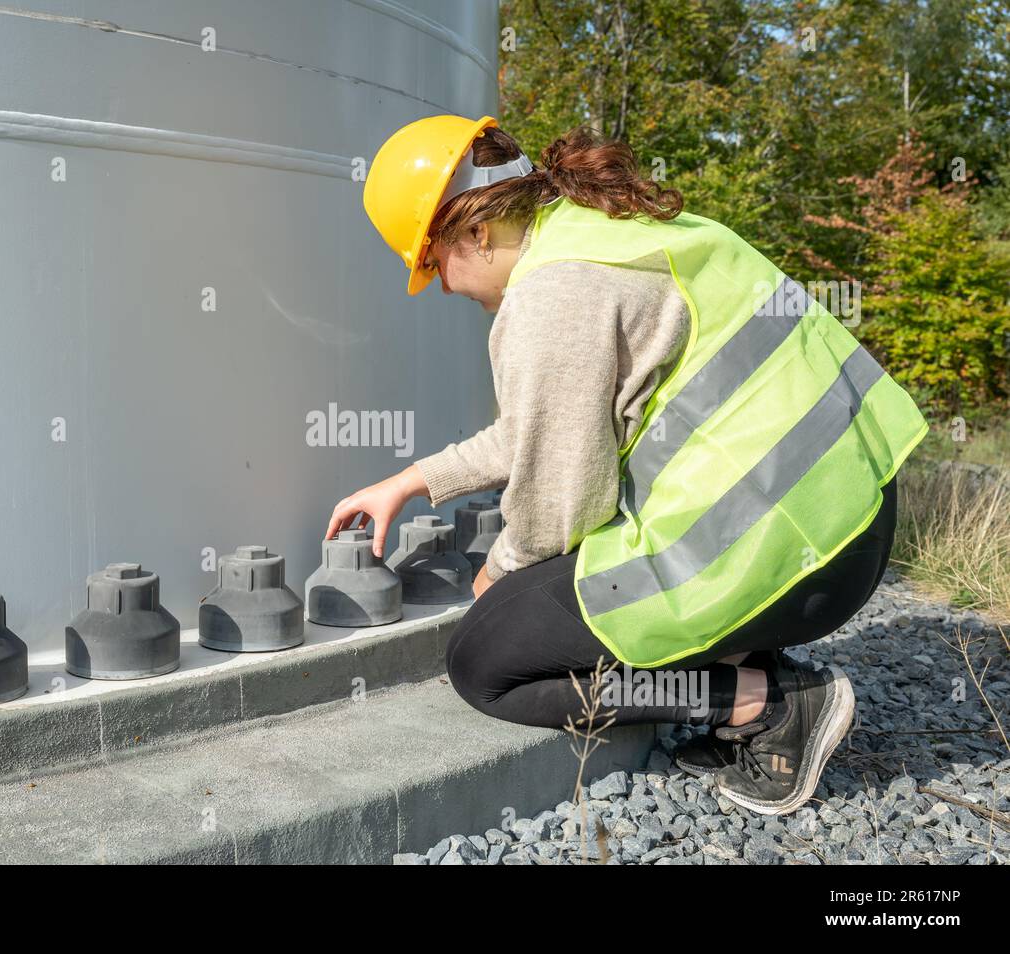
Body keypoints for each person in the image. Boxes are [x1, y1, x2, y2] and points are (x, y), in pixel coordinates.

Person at [324, 115, 927, 817]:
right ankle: (750, 662)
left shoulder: (553, 292)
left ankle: (765, 704)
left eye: (433, 266)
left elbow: (562, 501)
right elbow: (542, 430)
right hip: (844, 519)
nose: (445, 289)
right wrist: (413, 481)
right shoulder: (600, 227)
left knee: (486, 662)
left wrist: (501, 571)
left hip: (786, 546)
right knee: (546, 606)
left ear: (475, 232)